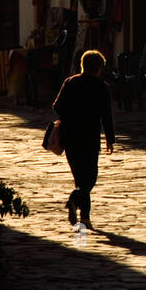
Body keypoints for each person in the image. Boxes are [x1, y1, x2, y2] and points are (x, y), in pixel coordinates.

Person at [53, 50, 115, 228]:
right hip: (90, 137)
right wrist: (110, 139)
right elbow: (106, 116)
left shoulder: (70, 82)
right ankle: (75, 202)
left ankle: (85, 218)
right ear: (99, 68)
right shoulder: (101, 87)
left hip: (70, 136)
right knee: (90, 178)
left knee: (80, 178)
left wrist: (71, 116)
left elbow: (57, 106)